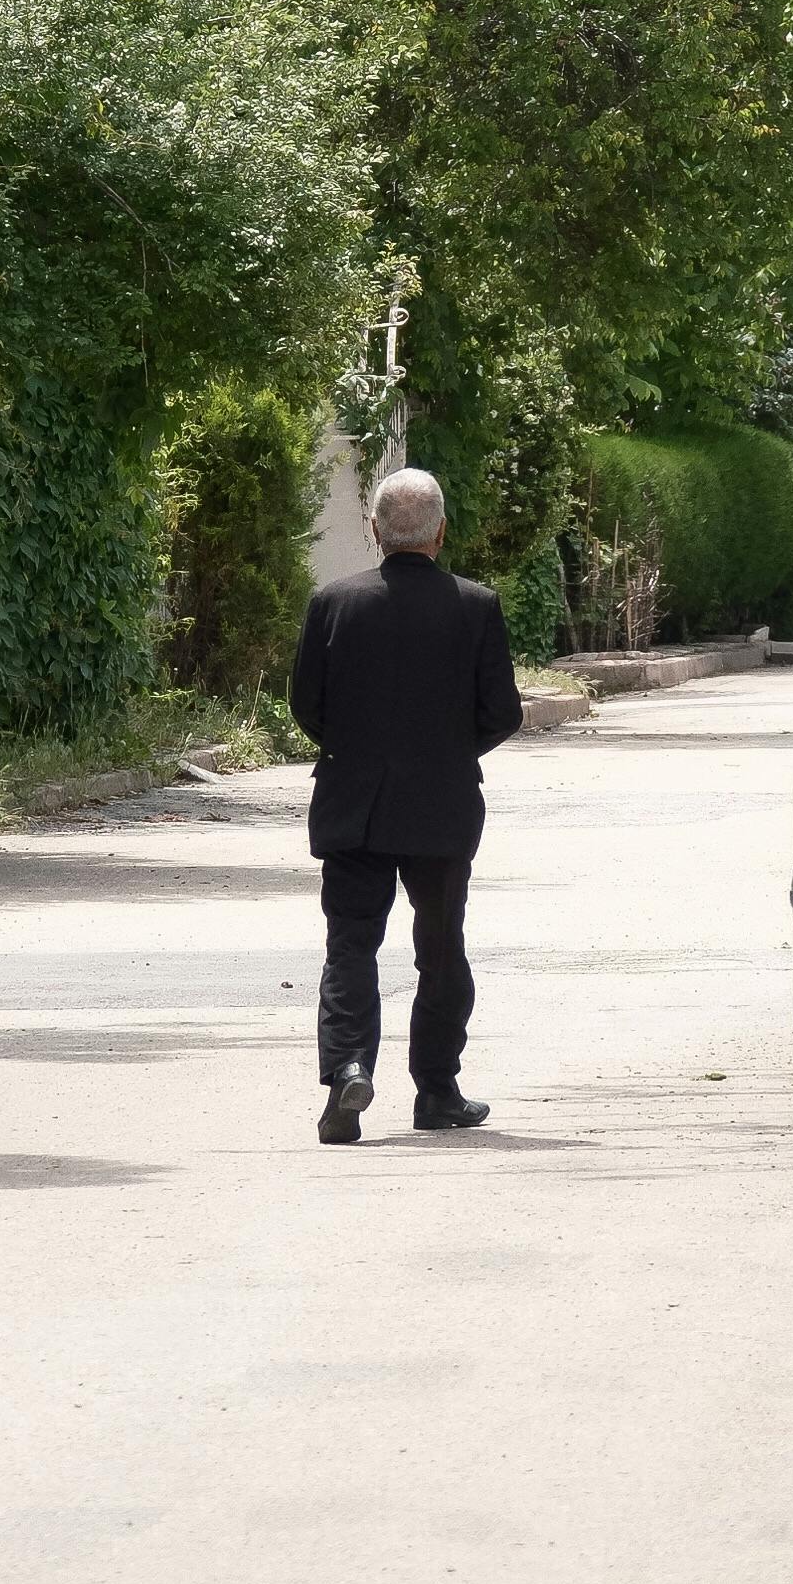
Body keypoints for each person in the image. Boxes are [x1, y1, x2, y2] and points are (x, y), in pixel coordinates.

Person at [288, 463, 523, 1145]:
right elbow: (501, 712)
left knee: (351, 945)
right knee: (440, 948)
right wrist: (450, 752)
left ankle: (349, 1069)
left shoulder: (333, 602)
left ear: (375, 530)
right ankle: (438, 1092)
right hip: (442, 809)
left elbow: (308, 704)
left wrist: (357, 749)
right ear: (441, 532)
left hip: (351, 804)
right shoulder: (476, 606)